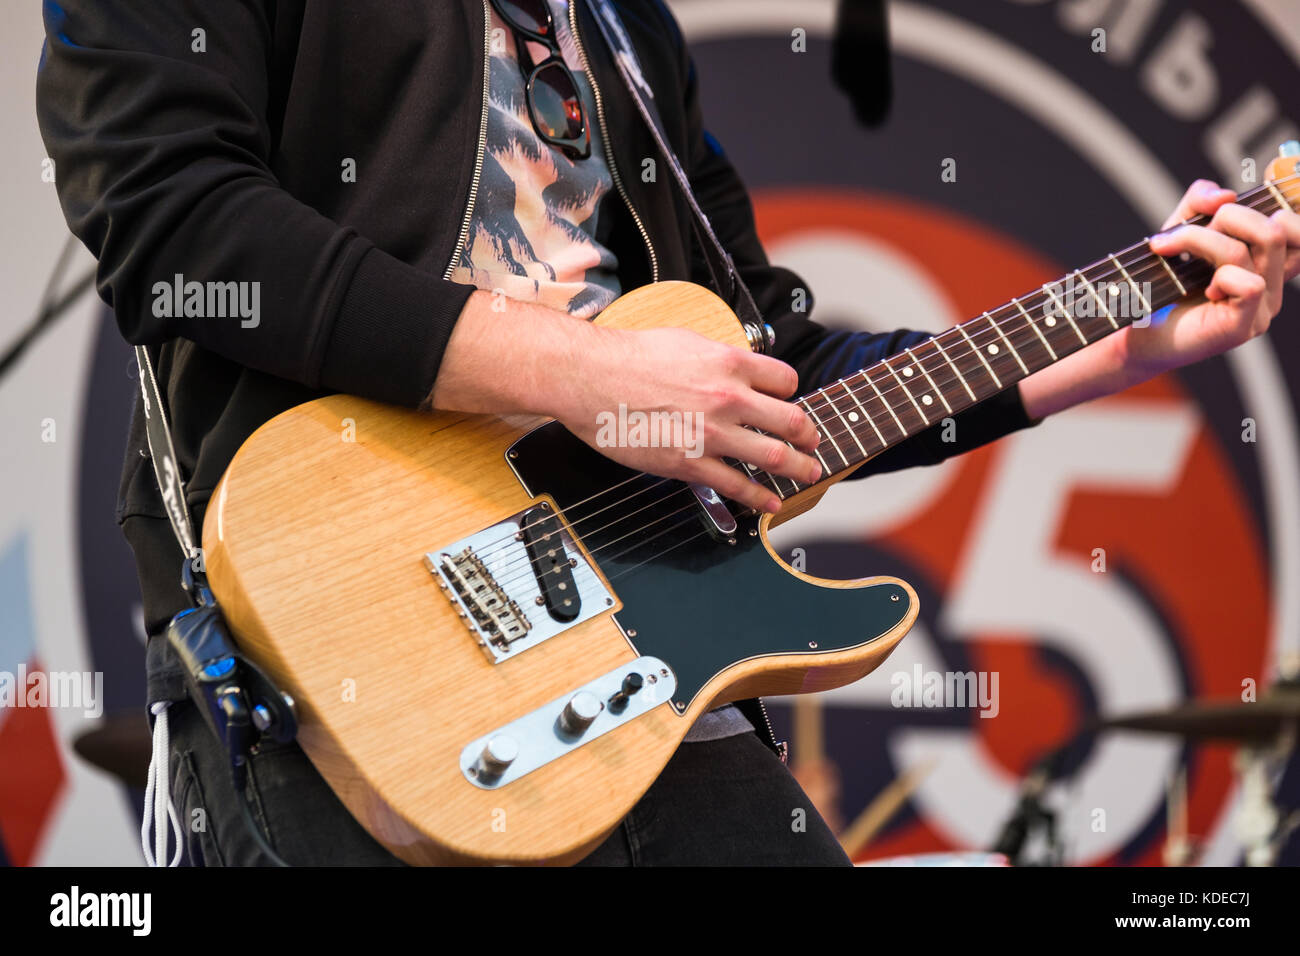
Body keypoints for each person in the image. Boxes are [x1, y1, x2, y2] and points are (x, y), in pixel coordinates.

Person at [36, 0, 1300, 866]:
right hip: (342, 654)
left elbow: (776, 382)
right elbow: (170, 217)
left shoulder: (621, 26)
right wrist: (586, 374)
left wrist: (1128, 330)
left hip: (642, 673)